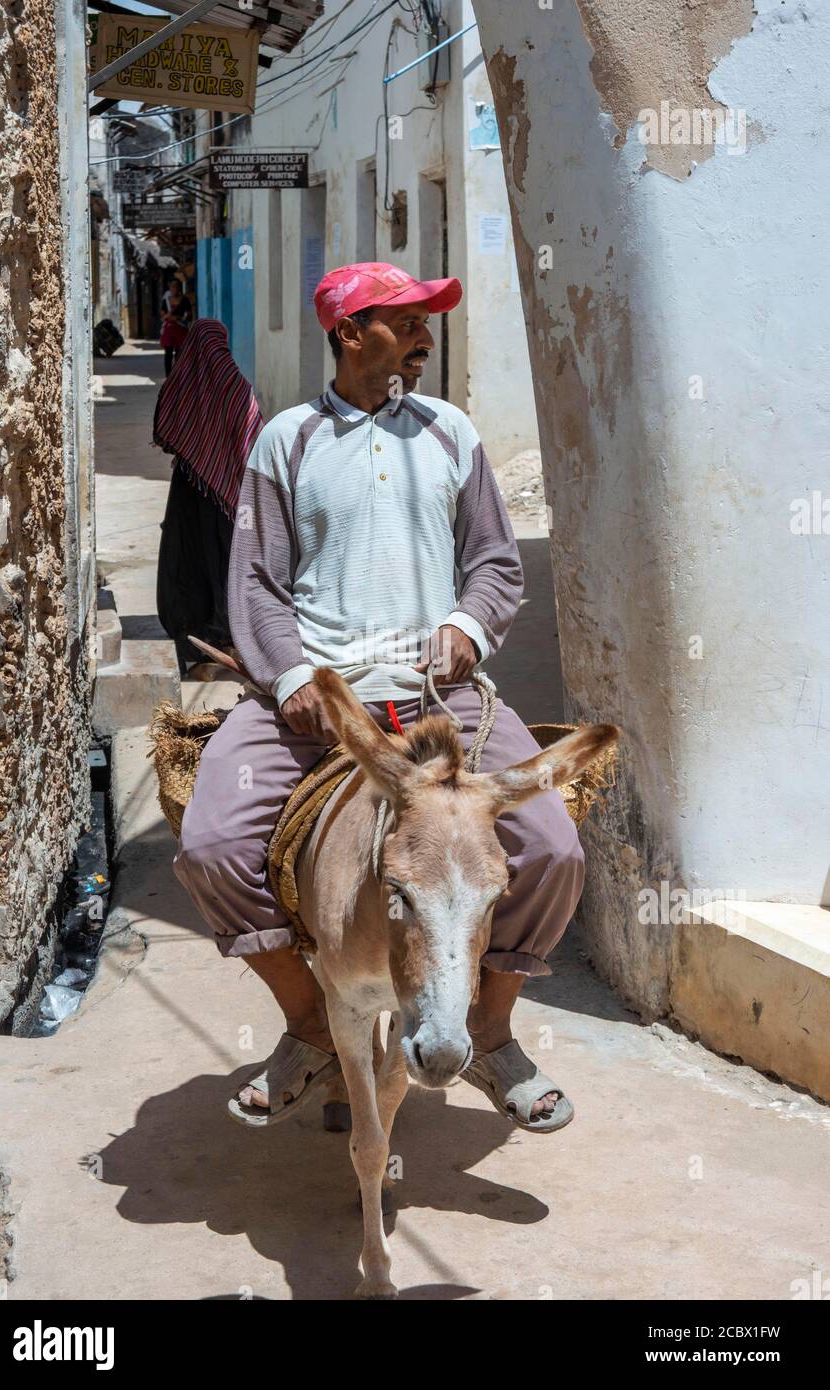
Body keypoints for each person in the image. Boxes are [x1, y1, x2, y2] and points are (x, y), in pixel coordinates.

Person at [174, 262, 584, 1129]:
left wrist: (468, 628)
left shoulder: (450, 433)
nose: (425, 337)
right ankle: (310, 1026)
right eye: (406, 322)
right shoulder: (285, 440)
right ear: (350, 333)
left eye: (427, 323)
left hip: (443, 699)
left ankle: (490, 1031)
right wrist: (289, 679)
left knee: (552, 851)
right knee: (210, 845)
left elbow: (496, 564)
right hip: (318, 697)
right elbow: (254, 583)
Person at [153, 318, 264, 672]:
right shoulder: (237, 386)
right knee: (224, 560)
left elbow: (163, 429)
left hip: (189, 488)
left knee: (191, 557)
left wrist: (195, 447)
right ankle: (227, 632)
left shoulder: (181, 380)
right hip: (227, 494)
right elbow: (254, 438)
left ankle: (193, 632)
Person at [159, 277, 193, 374]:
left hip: (181, 329)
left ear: (180, 288)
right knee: (168, 353)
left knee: (180, 354)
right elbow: (162, 315)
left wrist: (179, 318)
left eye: (177, 286)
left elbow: (189, 316)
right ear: (170, 288)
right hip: (169, 330)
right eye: (173, 286)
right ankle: (168, 376)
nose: (175, 289)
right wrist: (168, 316)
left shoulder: (185, 300)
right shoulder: (166, 301)